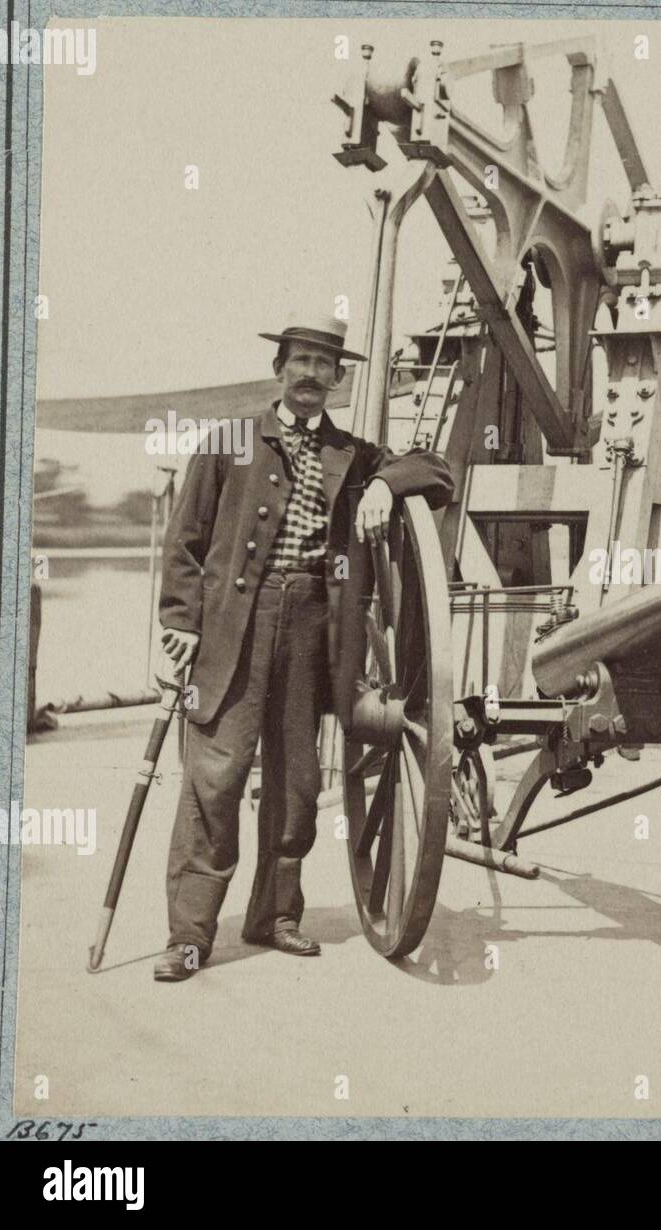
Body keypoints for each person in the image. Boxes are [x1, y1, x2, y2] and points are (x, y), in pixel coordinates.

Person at [153, 311, 454, 982]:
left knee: (297, 781)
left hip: (316, 624)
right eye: (300, 361)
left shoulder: (356, 455)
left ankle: (275, 916)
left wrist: (383, 484)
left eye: (324, 364)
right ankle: (190, 936)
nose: (310, 374)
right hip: (235, 625)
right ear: (278, 369)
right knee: (216, 776)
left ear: (339, 378)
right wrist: (179, 620)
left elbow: (437, 472)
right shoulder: (228, 440)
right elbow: (186, 542)